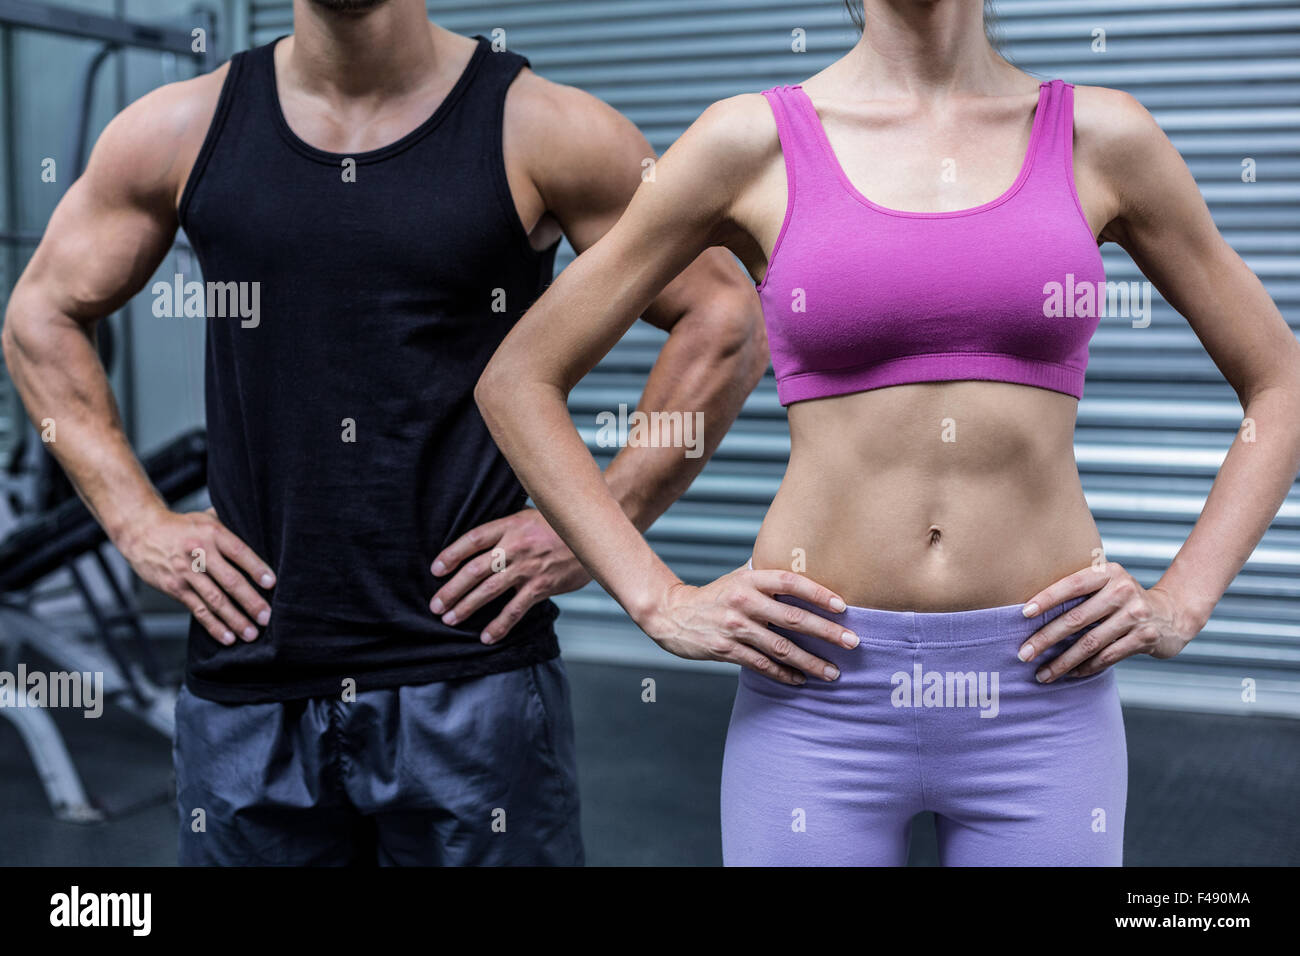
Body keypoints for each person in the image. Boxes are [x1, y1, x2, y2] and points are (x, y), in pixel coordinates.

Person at [475, 0, 1300, 866]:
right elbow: (520, 377)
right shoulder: (748, 142)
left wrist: (1184, 600)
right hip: (817, 697)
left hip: (1041, 695)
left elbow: (1279, 378)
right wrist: (657, 599)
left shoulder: (1102, 135)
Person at [1, 0, 768, 865]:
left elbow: (723, 314)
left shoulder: (544, 128)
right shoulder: (180, 129)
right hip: (250, 678)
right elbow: (41, 315)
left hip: (469, 678)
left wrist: (600, 524)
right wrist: (136, 522)